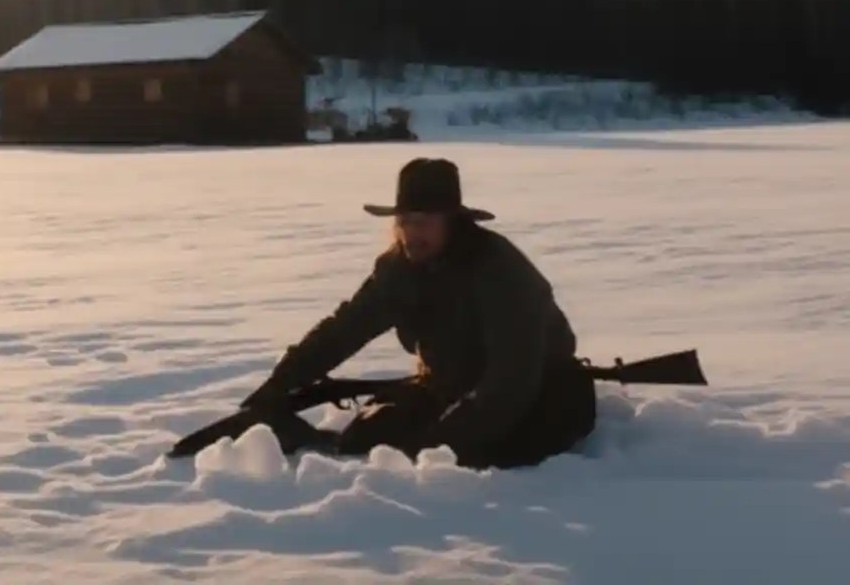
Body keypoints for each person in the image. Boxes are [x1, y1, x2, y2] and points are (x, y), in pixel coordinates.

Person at [242, 158, 596, 469]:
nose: (412, 233)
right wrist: (280, 383)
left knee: (472, 457)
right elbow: (346, 329)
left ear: (453, 222)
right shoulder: (399, 268)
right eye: (405, 221)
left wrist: (436, 446)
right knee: (365, 439)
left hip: (538, 395)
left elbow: (511, 381)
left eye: (424, 222)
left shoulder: (500, 271)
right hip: (449, 387)